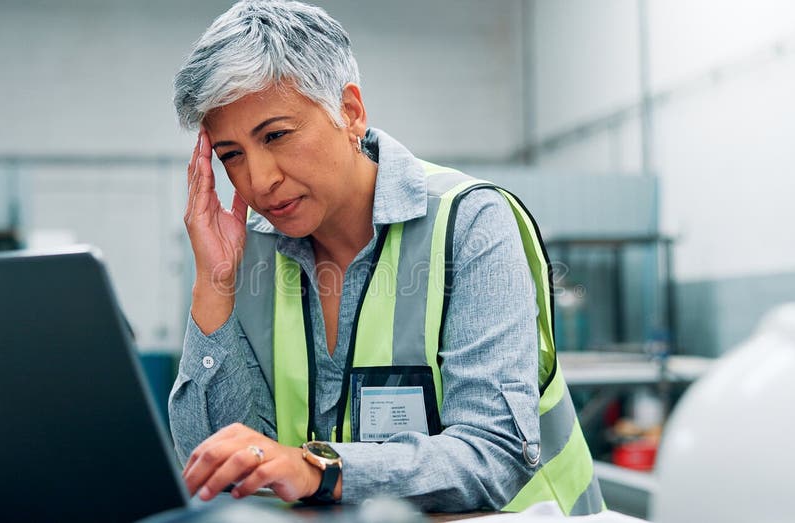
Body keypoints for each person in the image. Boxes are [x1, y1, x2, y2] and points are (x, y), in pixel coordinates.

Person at [169, 0, 603, 514]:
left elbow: (493, 455)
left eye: (276, 136)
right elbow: (215, 469)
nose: (259, 180)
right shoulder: (249, 250)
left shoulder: (470, 223)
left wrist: (319, 470)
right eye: (231, 155)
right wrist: (214, 283)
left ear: (349, 112)